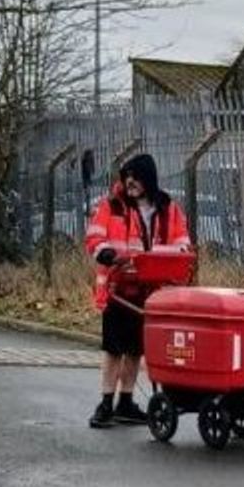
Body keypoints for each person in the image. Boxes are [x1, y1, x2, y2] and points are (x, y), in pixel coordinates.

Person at [83, 153, 190, 429]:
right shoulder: (112, 207)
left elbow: (182, 242)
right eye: (126, 176)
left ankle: (126, 402)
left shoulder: (168, 209)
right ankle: (106, 402)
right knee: (113, 348)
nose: (129, 182)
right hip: (119, 288)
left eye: (135, 176)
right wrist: (105, 252)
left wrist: (176, 255)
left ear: (148, 178)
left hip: (151, 290)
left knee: (135, 349)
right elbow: (95, 236)